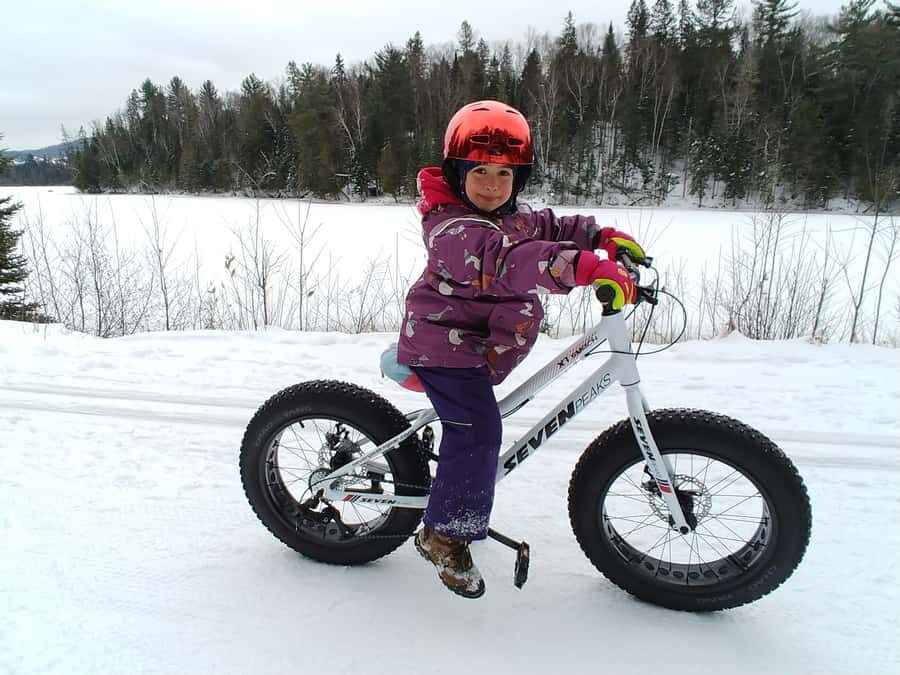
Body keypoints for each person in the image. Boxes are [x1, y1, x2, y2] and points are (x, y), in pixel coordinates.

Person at [394, 100, 645, 599]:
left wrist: (600, 237)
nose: (492, 184)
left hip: (479, 344)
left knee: (477, 423)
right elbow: (506, 260)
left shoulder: (512, 216)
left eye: (505, 174)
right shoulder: (452, 229)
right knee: (480, 431)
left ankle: (456, 482)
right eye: (480, 171)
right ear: (457, 173)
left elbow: (547, 227)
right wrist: (583, 268)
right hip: (445, 345)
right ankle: (444, 533)